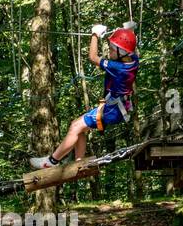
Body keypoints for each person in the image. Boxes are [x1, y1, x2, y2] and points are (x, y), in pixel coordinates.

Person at [29, 22, 138, 170]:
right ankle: (79, 162)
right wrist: (126, 30)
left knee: (75, 126)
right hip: (115, 107)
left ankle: (51, 162)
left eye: (112, 49)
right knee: (78, 125)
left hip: (112, 111)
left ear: (122, 52)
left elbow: (93, 57)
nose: (109, 51)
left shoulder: (118, 68)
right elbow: (129, 43)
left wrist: (95, 35)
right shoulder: (132, 60)